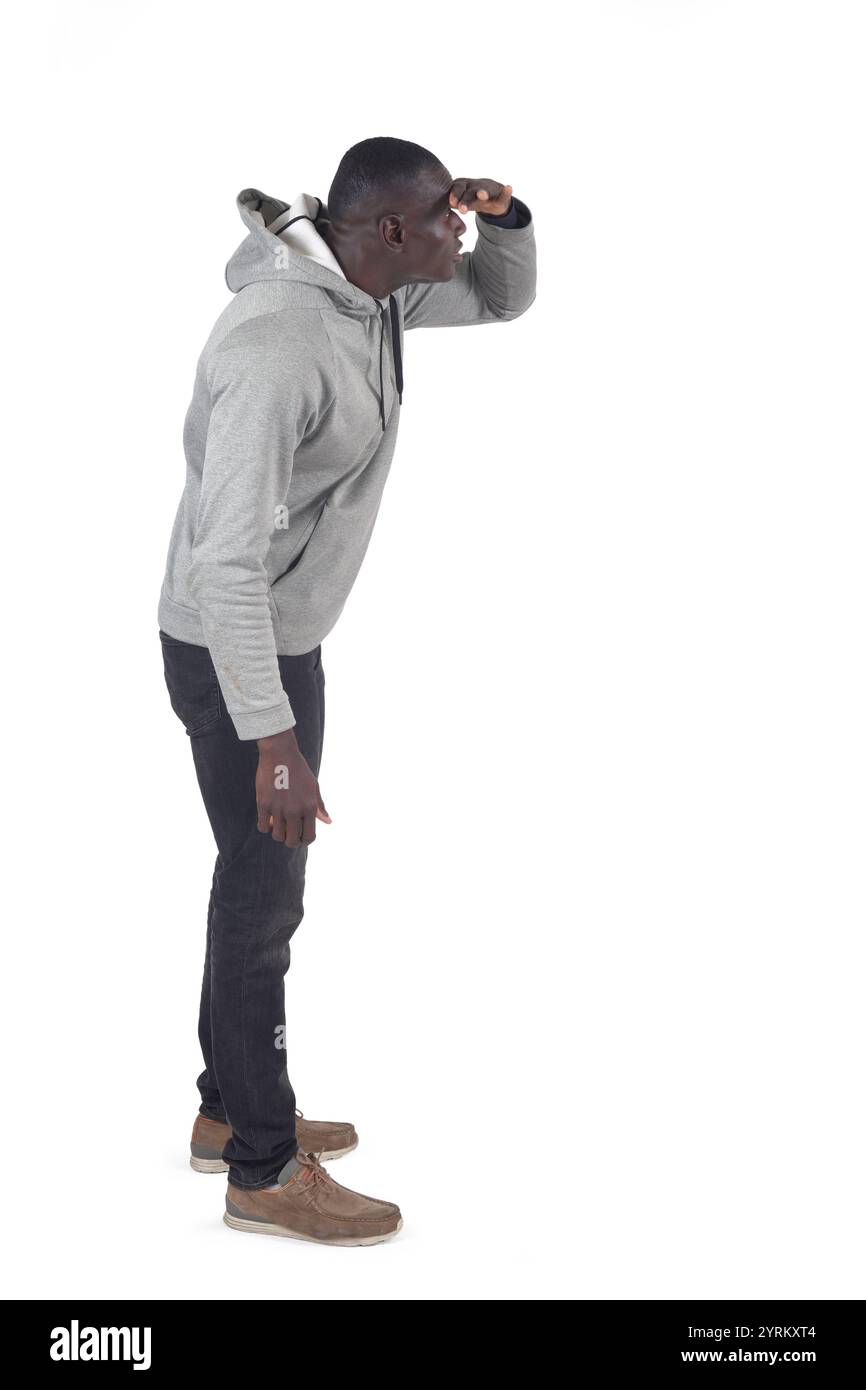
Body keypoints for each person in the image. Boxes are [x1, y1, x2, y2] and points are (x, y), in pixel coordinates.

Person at [158, 136, 537, 1245]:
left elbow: (500, 301)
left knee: (253, 880)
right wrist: (271, 736)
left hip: (283, 637)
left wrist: (504, 215)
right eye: (441, 220)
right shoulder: (281, 344)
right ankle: (262, 1171)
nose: (453, 236)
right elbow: (224, 562)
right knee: (264, 896)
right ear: (382, 233)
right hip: (236, 649)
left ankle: (230, 1112)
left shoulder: (370, 297)